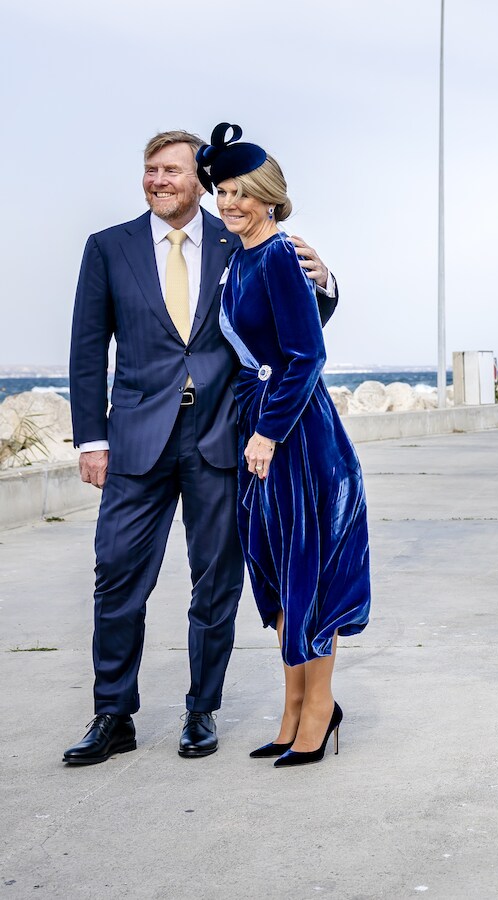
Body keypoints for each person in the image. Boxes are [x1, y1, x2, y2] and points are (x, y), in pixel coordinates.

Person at [64, 130, 339, 765]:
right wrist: (92, 440)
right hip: (135, 440)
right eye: (151, 170)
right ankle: (113, 714)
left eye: (173, 171)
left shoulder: (240, 237)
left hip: (220, 435)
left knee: (216, 581)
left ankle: (201, 709)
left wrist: (325, 282)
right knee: (117, 574)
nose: (159, 180)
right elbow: (87, 348)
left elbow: (291, 328)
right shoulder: (108, 247)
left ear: (200, 181)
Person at [200, 123, 370, 767]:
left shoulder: (278, 254)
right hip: (263, 425)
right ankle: (294, 706)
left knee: (309, 568)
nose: (230, 203)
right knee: (276, 569)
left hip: (295, 433)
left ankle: (318, 708)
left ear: (269, 197)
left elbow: (306, 354)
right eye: (223, 192)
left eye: (242, 192)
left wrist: (268, 434)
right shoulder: (242, 259)